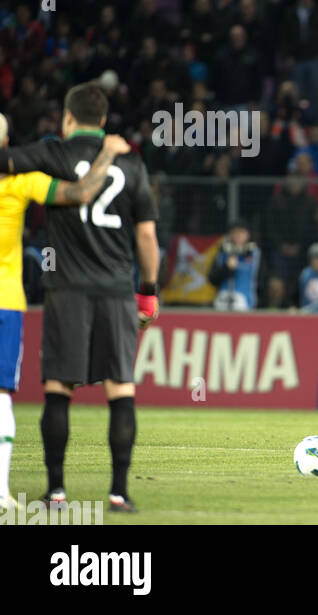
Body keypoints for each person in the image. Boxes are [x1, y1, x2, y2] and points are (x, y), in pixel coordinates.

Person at [0, 84, 160, 513]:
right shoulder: (131, 163)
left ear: (68, 119)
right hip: (115, 290)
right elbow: (146, 235)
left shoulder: (54, 154)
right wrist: (147, 292)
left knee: (58, 388)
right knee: (120, 389)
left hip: (66, 290)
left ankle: (55, 492)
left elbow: (5, 160)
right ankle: (119, 492)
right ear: (104, 120)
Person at [208, 219, 260, 311]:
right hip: (223, 300)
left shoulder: (255, 253)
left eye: (241, 232)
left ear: (248, 234)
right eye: (235, 232)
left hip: (246, 303)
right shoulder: (222, 253)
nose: (238, 236)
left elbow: (262, 280)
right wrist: (226, 268)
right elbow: (212, 279)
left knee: (239, 304)